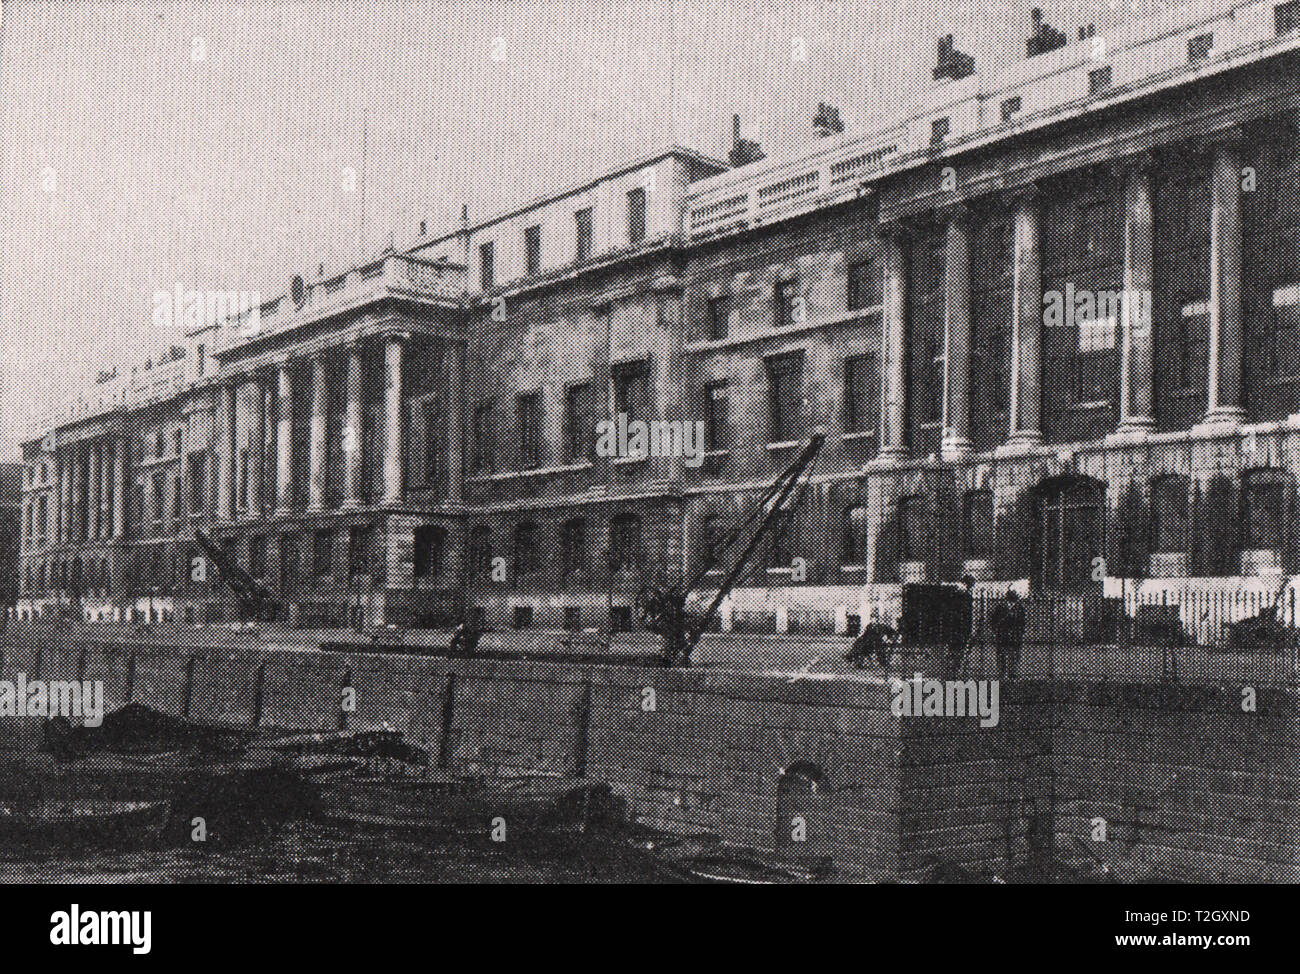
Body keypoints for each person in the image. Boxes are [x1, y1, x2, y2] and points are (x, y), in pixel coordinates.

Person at [990, 589, 1026, 680]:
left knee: (1014, 654)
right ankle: (1002, 672)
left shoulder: (1020, 607)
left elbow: (1022, 621)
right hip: (1003, 634)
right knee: (1002, 653)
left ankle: (1012, 672)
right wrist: (996, 630)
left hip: (1015, 634)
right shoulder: (1000, 607)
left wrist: (1020, 631)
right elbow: (993, 620)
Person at [945, 575, 975, 678]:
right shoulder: (965, 596)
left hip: (957, 630)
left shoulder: (958, 594)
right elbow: (967, 616)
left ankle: (953, 671)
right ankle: (955, 671)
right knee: (958, 652)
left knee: (955, 652)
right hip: (960, 630)